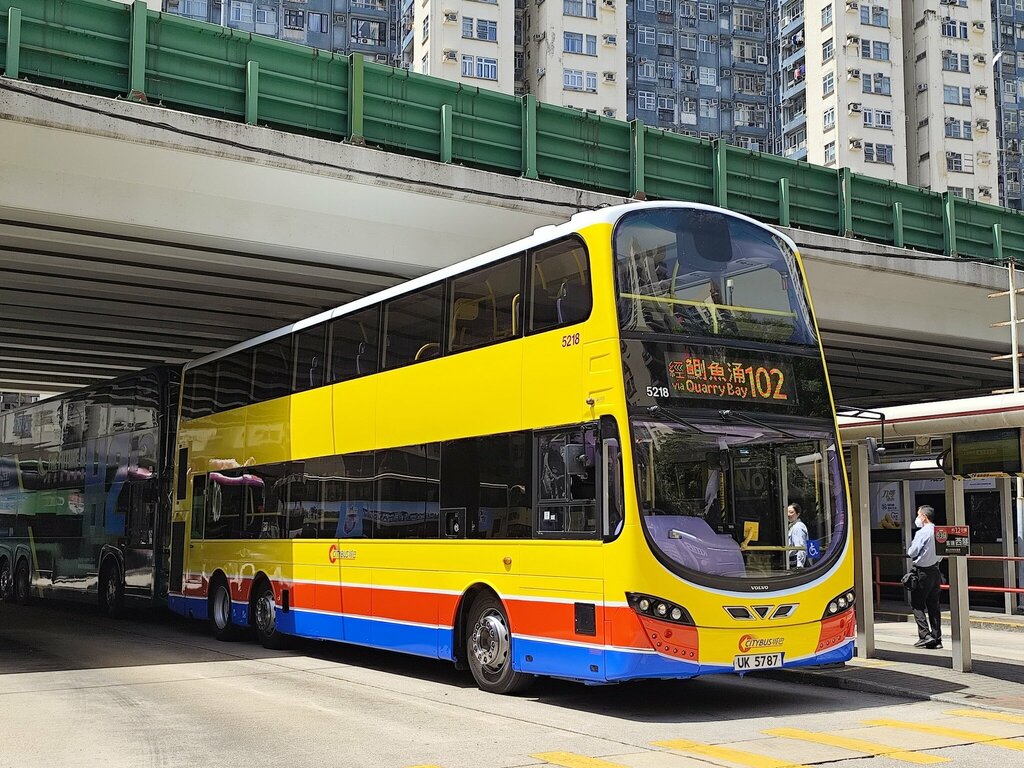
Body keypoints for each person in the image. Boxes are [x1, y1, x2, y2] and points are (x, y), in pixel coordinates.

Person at [907, 505, 943, 649]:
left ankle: (925, 635)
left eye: (918, 515)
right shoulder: (940, 532)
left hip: (922, 572)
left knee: (917, 604)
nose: (917, 518)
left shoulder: (923, 532)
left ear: (924, 517)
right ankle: (936, 638)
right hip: (935, 571)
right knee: (934, 606)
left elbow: (912, 551)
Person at [786, 502, 808, 568]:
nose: (788, 514)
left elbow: (800, 548)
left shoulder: (798, 527)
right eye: (787, 512)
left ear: (798, 514)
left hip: (795, 563)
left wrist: (799, 566)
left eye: (791, 512)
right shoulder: (792, 526)